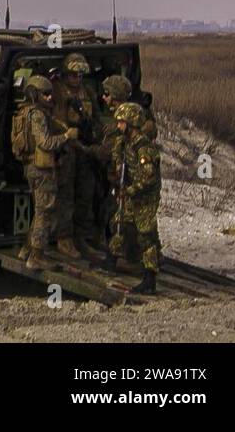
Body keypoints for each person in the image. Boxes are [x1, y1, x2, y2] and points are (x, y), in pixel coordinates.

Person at [17, 75, 80, 270]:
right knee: (45, 212)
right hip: (41, 169)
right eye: (45, 94)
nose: (50, 97)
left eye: (50, 93)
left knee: (40, 210)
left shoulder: (25, 112)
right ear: (34, 94)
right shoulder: (37, 115)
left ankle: (27, 249)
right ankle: (36, 256)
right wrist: (66, 136)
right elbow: (45, 143)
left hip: (32, 168)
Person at [51, 53, 109, 259]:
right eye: (73, 75)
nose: (77, 79)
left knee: (86, 193)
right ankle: (64, 238)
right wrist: (70, 138)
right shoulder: (58, 92)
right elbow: (56, 121)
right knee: (66, 195)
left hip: (85, 148)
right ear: (65, 74)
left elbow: (96, 118)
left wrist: (99, 136)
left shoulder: (87, 92)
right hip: (67, 148)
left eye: (80, 75)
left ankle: (83, 237)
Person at [108, 101, 161, 295]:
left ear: (131, 123)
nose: (118, 126)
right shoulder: (125, 142)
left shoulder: (143, 147)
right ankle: (111, 259)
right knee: (119, 221)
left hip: (145, 197)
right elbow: (118, 159)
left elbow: (149, 178)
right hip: (132, 193)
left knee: (146, 236)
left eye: (121, 122)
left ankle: (150, 278)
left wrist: (130, 191)